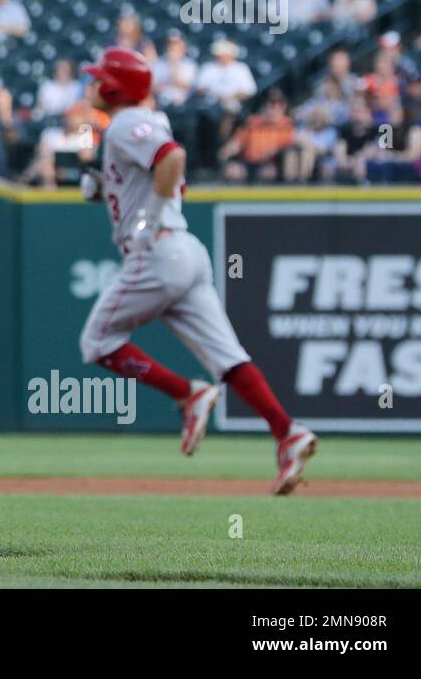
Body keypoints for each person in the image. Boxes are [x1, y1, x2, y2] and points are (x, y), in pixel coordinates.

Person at [77, 47, 318, 495]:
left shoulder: (128, 121)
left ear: (114, 86)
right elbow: (153, 172)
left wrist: (148, 222)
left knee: (97, 342)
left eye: (99, 78)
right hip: (182, 250)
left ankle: (186, 394)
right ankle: (287, 432)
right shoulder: (132, 124)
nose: (91, 84)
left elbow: (171, 157)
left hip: (159, 250)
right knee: (228, 358)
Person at [219, 89, 297, 181]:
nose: (272, 107)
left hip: (270, 164)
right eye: (269, 103)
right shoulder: (253, 121)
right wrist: (229, 149)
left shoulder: (287, 125)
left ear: (283, 106)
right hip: (248, 162)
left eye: (276, 104)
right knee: (232, 171)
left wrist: (274, 152)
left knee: (268, 172)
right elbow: (238, 141)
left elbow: (289, 146)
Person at [152, 30, 198, 106]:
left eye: (177, 45)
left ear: (183, 47)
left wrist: (174, 65)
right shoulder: (158, 63)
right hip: (161, 103)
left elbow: (187, 87)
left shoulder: (190, 65)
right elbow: (153, 87)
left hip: (183, 105)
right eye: (171, 46)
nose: (174, 48)